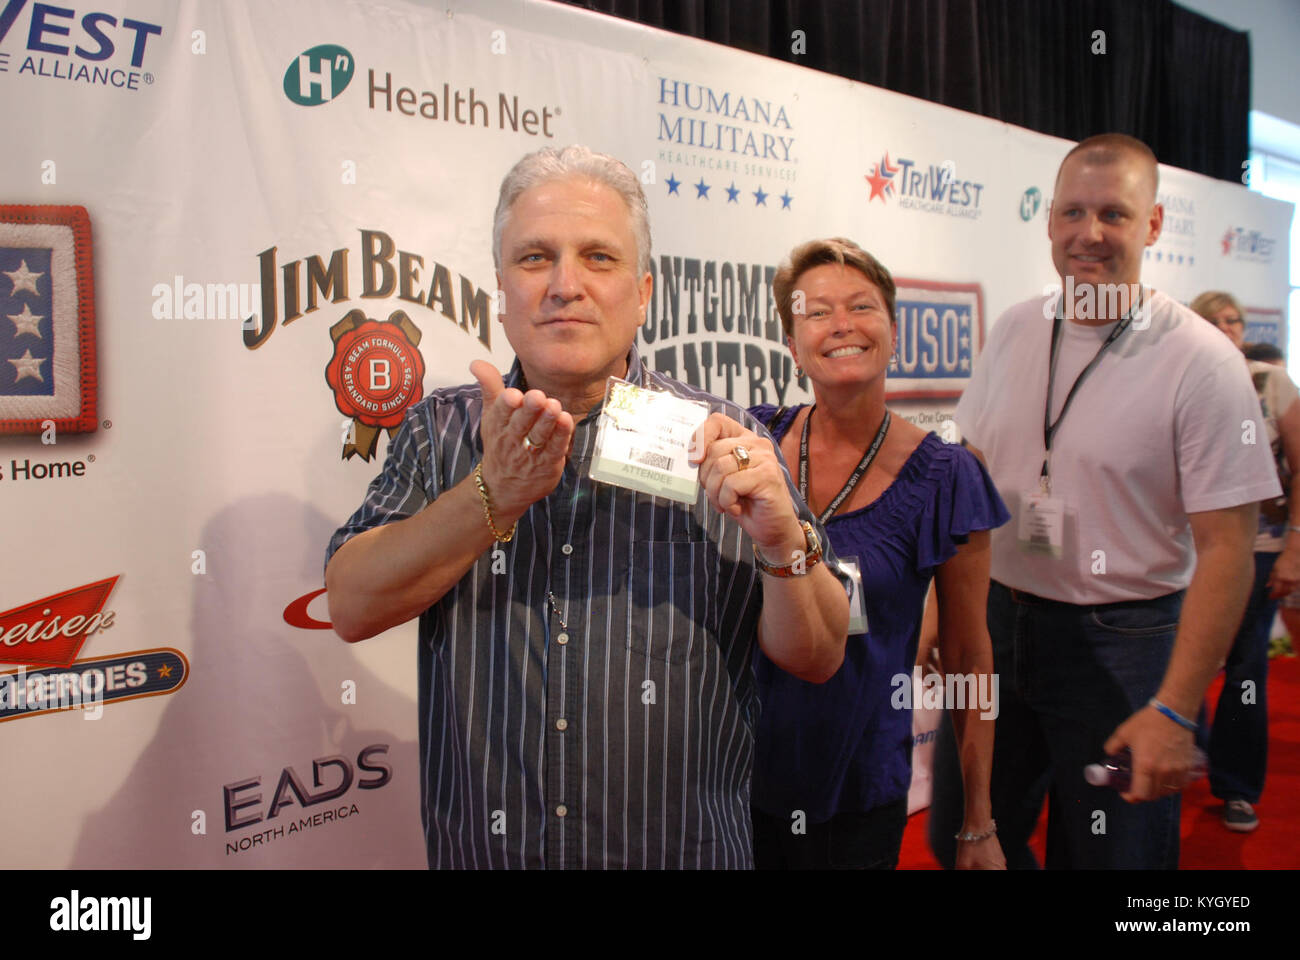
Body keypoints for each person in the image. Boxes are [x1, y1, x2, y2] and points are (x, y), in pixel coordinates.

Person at [323, 145, 850, 869]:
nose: (565, 285)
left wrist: (781, 541)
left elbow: (819, 656)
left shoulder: (728, 441)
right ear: (500, 290)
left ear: (643, 292)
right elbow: (350, 604)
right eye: (536, 258)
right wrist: (492, 497)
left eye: (598, 258)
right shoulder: (440, 430)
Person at [928, 133, 1281, 869]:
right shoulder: (1017, 330)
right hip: (998, 625)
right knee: (963, 836)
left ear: (1151, 226)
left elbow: (1227, 549)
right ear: (1049, 221)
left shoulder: (1203, 363)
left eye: (1114, 215)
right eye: (1073, 212)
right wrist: (944, 607)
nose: (1090, 234)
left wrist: (1178, 707)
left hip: (1127, 648)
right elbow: (974, 477)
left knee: (1114, 859)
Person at [747, 238, 1010, 870]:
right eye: (816, 311)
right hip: (732, 780)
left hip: (858, 788)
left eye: (861, 307)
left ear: (892, 331)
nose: (841, 325)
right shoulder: (752, 439)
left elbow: (970, 655)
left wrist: (978, 820)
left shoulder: (948, 476)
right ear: (791, 342)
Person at [1190, 290, 1300, 832]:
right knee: (1181, 657)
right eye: (1214, 321)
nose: (1227, 329)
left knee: (1246, 669)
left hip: (1259, 553)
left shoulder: (1272, 384)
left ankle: (1236, 787)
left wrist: (1295, 549)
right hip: (1187, 555)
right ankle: (1198, 748)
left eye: (1234, 319)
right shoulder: (1183, 380)